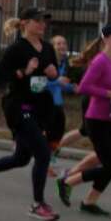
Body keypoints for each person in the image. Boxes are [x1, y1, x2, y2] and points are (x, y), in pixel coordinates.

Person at [0, 8, 61, 221]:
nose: (42, 25)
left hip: (39, 108)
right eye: (37, 21)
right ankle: (37, 204)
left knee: (21, 158)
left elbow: (54, 72)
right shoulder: (17, 49)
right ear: (25, 24)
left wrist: (53, 73)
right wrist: (23, 72)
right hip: (19, 107)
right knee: (43, 153)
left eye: (44, 22)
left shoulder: (47, 48)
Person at [54, 23, 111, 216]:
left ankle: (89, 201)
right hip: (96, 119)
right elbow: (84, 87)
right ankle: (68, 182)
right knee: (109, 164)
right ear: (107, 39)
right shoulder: (99, 61)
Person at [45, 34, 76, 175]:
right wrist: (57, 82)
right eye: (58, 43)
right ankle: (46, 165)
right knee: (49, 136)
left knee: (57, 137)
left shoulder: (64, 63)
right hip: (45, 104)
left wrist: (74, 87)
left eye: (64, 43)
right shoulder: (46, 63)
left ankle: (49, 161)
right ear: (52, 47)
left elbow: (62, 85)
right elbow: (37, 84)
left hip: (58, 105)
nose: (62, 46)